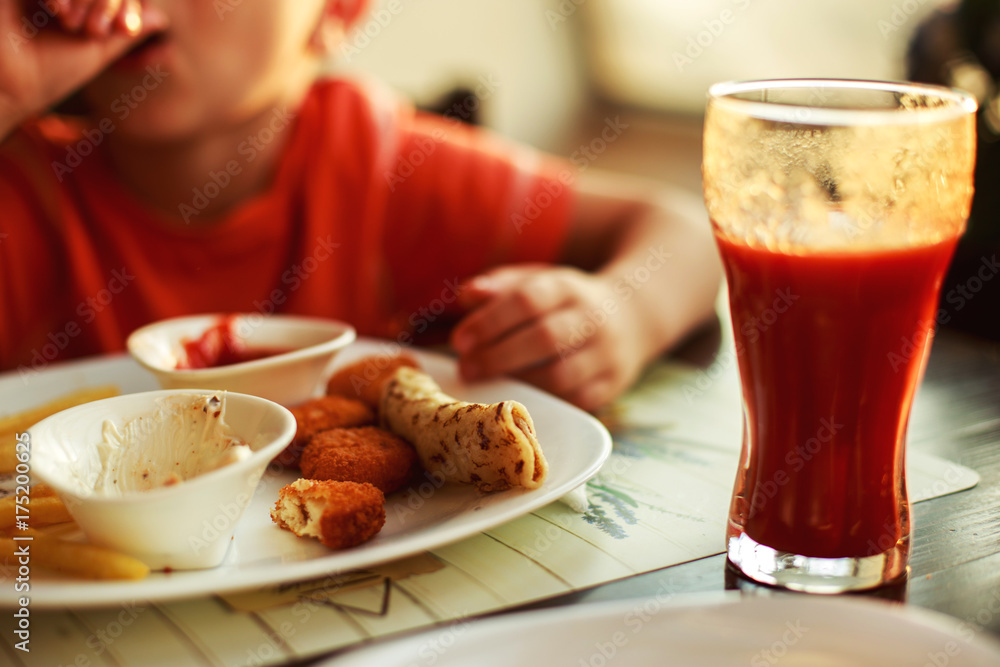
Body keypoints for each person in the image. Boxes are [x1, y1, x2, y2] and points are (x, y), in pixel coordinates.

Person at [0, 0, 721, 411]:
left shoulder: (378, 167)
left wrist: (621, 312)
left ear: (336, 11)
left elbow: (682, 230)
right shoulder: (26, 184)